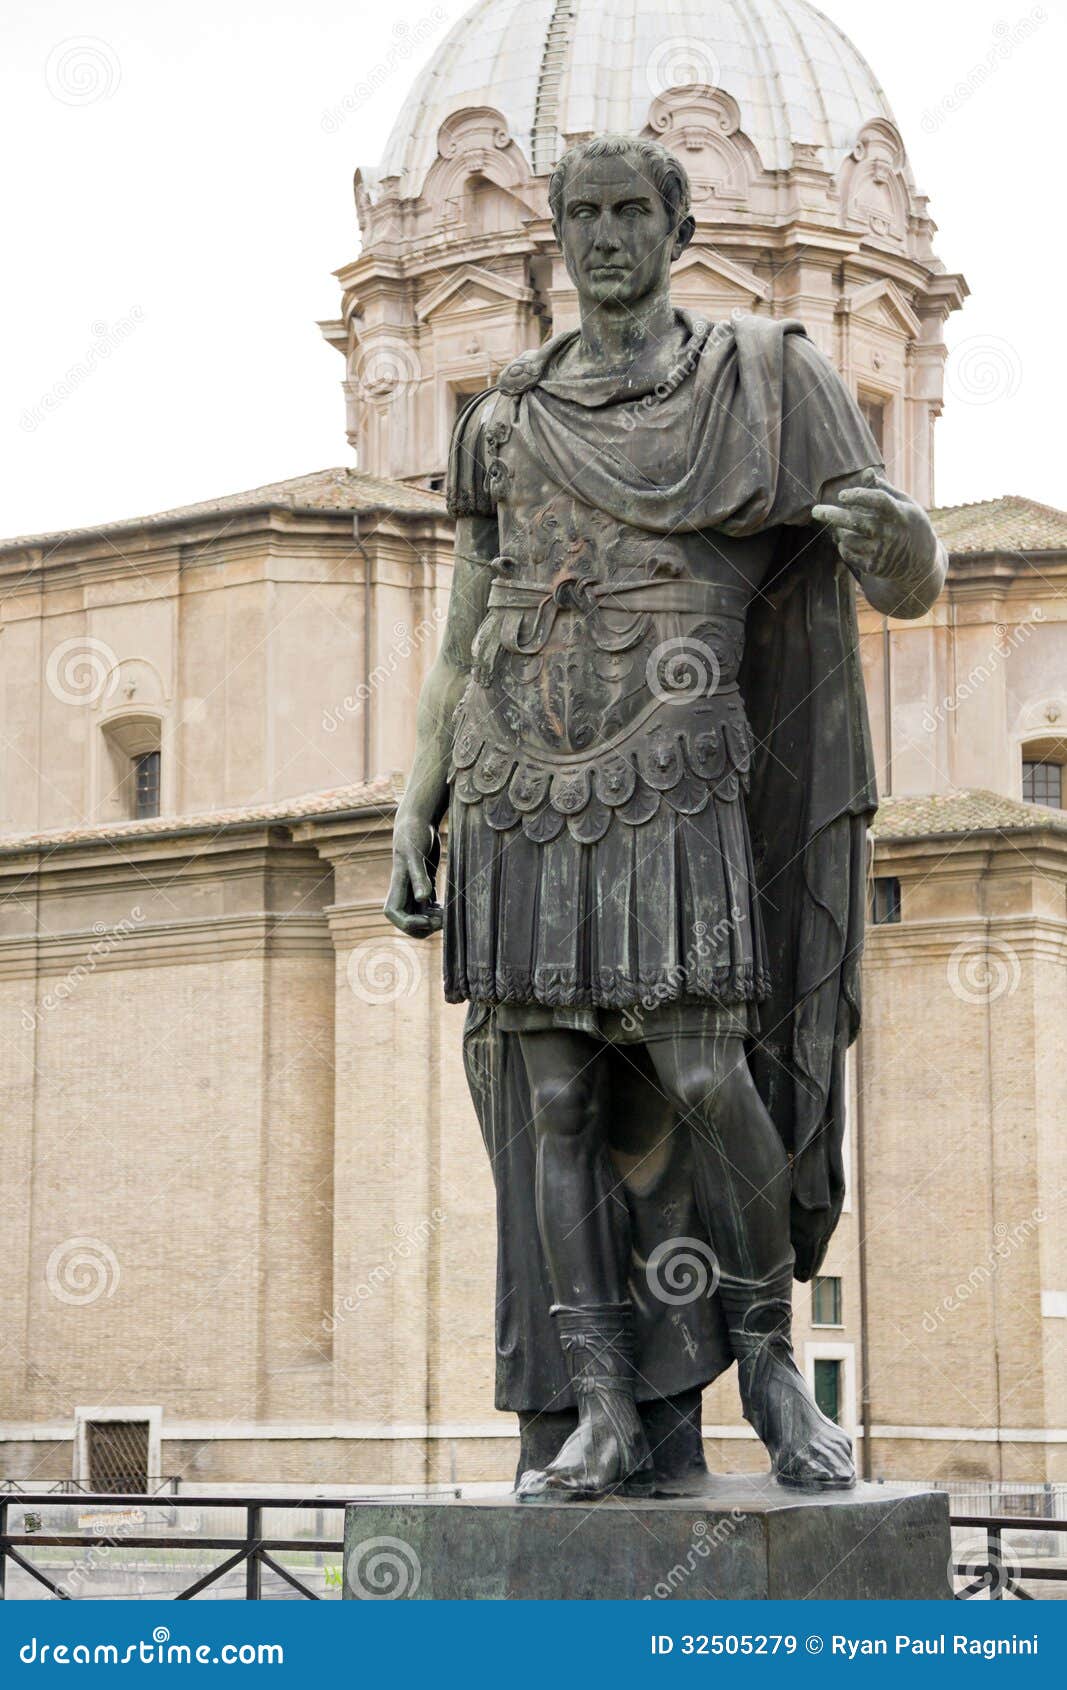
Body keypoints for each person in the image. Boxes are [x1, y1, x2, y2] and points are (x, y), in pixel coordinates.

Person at [385, 134, 946, 1499]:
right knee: (557, 1095)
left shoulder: (764, 378)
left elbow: (909, 567)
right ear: (557, 231)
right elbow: (470, 615)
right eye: (583, 213)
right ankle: (599, 1406)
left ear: (680, 224)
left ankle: (765, 1368)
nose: (607, 236)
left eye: (635, 210)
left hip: (681, 760)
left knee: (705, 1076)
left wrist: (896, 547)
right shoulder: (505, 411)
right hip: (518, 769)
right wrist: (421, 784)